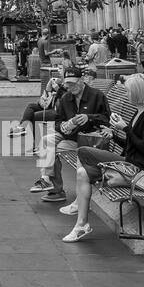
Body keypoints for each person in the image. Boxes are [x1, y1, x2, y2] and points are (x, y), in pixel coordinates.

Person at [62, 74, 144, 242]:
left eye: (128, 91)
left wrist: (125, 128)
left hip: (139, 169)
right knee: (82, 173)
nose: (127, 95)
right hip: (130, 163)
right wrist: (113, 135)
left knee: (83, 151)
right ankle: (82, 225)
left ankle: (78, 202)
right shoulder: (140, 112)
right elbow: (131, 146)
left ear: (137, 92)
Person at [41, 66, 112, 204]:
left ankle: (56, 188)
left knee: (53, 149)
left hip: (90, 139)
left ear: (82, 80)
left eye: (73, 83)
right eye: (67, 84)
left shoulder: (97, 95)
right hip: (70, 136)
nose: (70, 87)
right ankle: (49, 182)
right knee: (46, 141)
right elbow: (57, 120)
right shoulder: (66, 97)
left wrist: (89, 117)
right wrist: (63, 126)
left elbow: (106, 119)